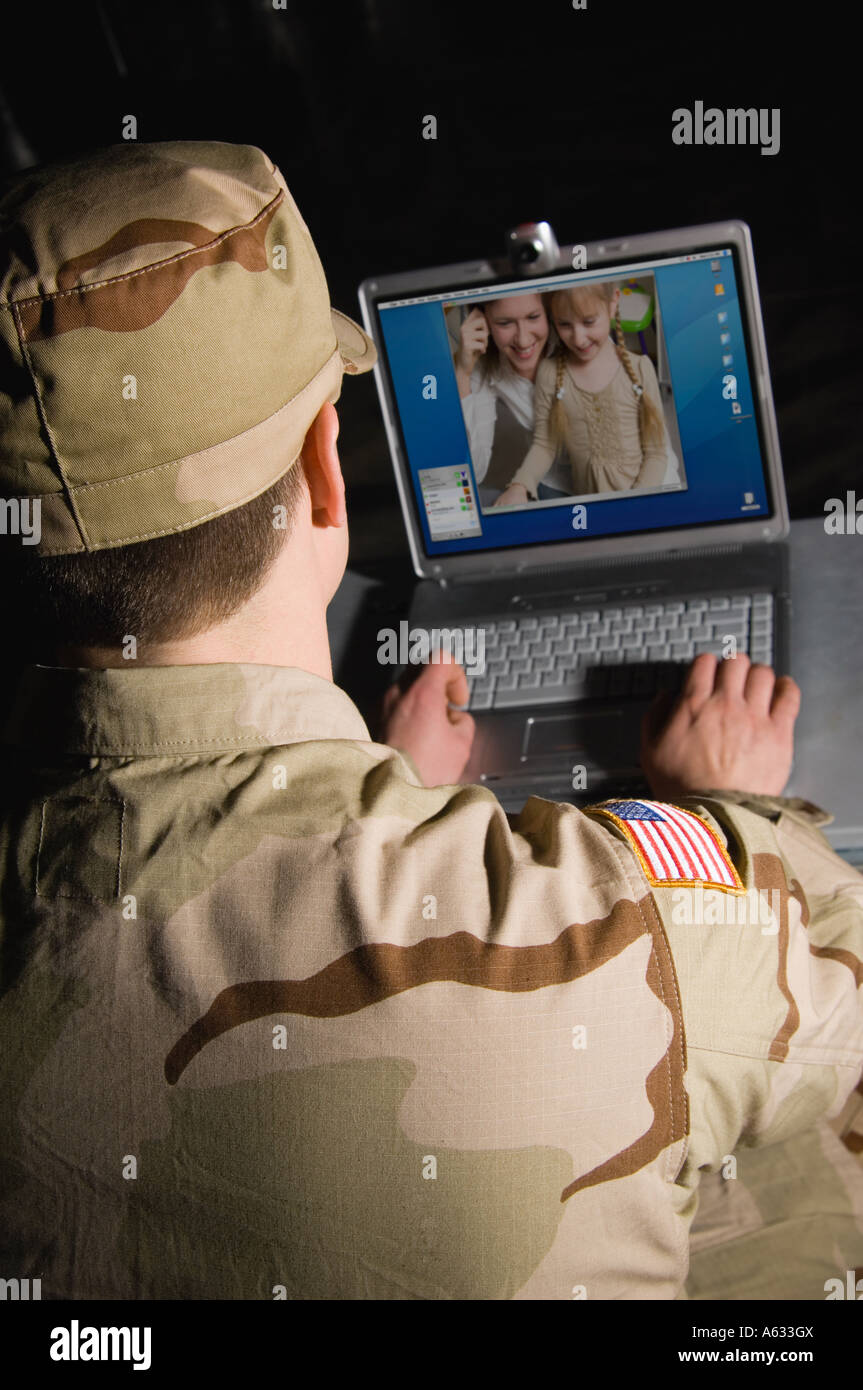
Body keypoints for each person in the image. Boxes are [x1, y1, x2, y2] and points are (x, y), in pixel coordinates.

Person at [1, 141, 862, 1301]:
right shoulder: (624, 935)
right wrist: (713, 805)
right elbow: (836, 973)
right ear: (325, 470)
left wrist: (378, 784)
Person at [494, 281, 670, 506]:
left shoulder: (640, 368)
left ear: (613, 302)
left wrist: (635, 504)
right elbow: (545, 444)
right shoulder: (549, 373)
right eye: (564, 324)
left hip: (640, 502)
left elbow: (656, 453)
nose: (578, 338)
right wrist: (520, 485)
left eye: (589, 322)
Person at [452, 295, 571, 504]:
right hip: (550, 479)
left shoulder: (576, 337)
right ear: (483, 321)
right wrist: (462, 373)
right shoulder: (485, 366)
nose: (523, 340)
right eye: (505, 323)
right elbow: (474, 471)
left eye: (533, 317)